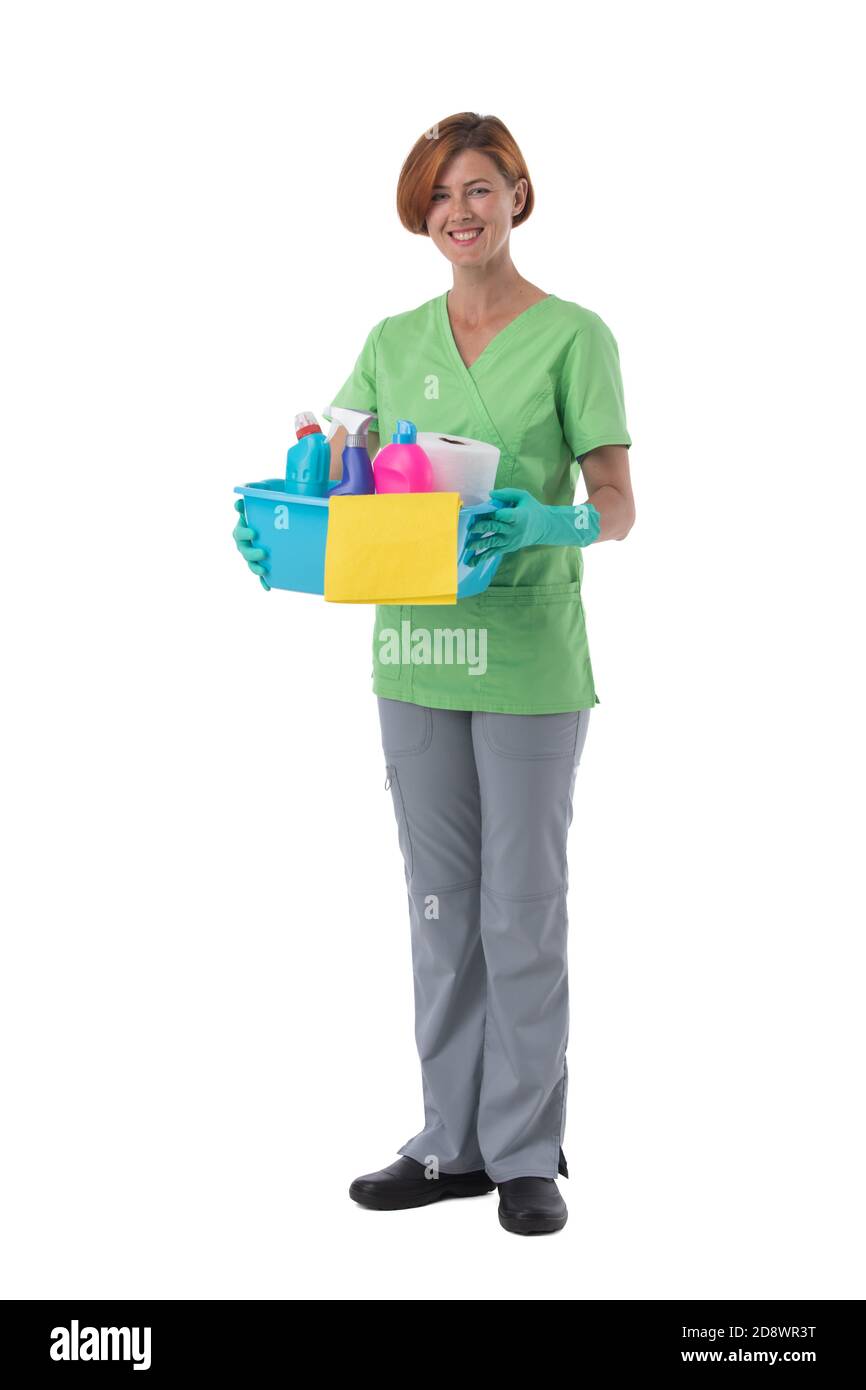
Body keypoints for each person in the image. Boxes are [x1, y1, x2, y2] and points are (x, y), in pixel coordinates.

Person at [234, 112, 635, 1235]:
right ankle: (446, 1143)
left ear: (517, 193)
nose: (460, 212)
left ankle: (523, 1149)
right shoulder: (390, 337)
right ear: (423, 214)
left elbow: (617, 506)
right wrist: (283, 527)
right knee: (436, 906)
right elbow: (342, 477)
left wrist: (549, 520)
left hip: (526, 660)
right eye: (439, 196)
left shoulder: (574, 337)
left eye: (479, 188)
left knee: (521, 908)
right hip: (413, 652)